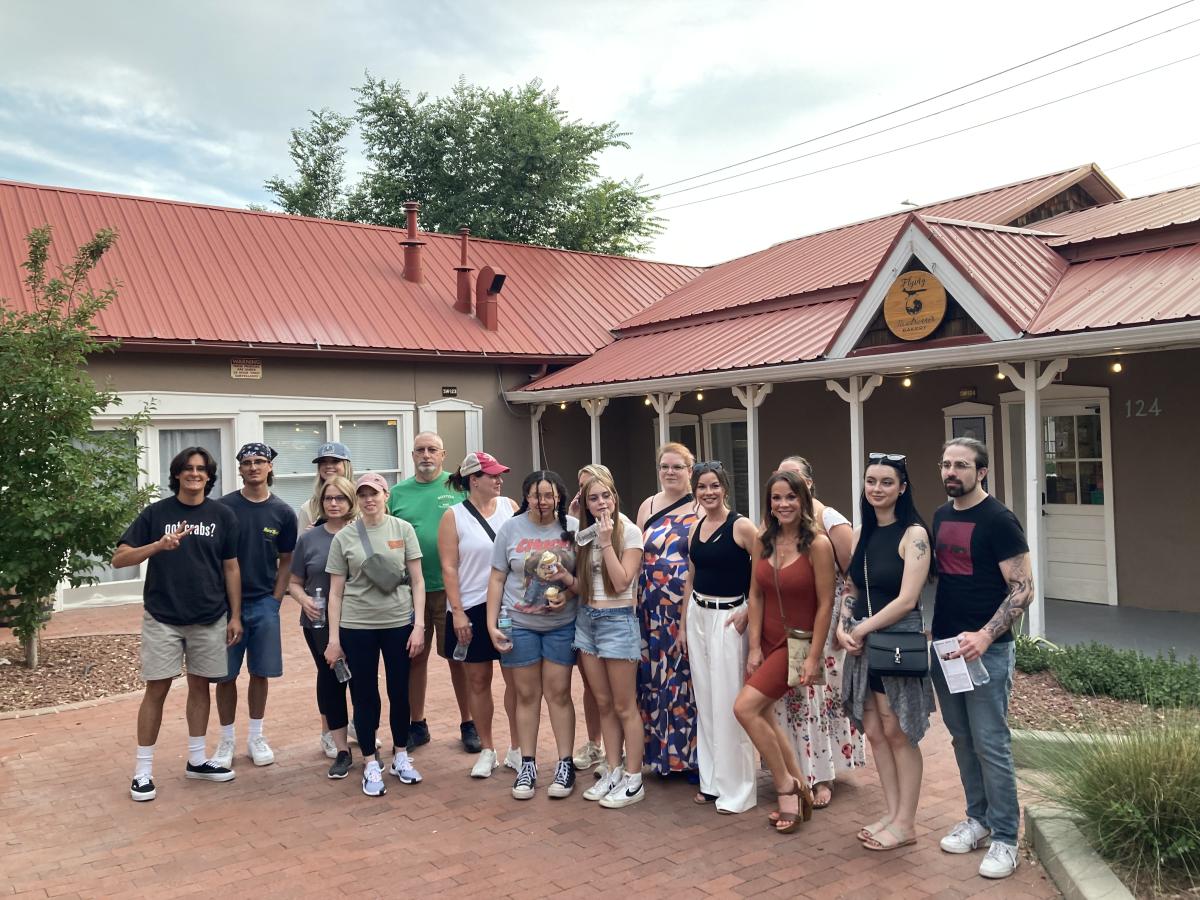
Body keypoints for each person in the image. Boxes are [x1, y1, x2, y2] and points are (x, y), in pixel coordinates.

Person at [114, 446, 241, 801]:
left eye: (201, 469)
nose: (194, 474)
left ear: (209, 476)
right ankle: (142, 772)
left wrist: (236, 615)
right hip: (163, 617)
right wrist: (157, 545)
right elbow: (120, 557)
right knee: (157, 689)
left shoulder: (223, 515)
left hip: (209, 616)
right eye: (187, 468)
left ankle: (198, 760)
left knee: (201, 687)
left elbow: (231, 567)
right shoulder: (156, 513)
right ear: (177, 474)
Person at [931, 437, 1032, 880]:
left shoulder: (999, 520)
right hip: (947, 648)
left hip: (986, 650)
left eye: (962, 466)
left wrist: (987, 636)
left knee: (991, 743)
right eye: (947, 465)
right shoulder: (940, 516)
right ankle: (979, 819)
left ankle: (1007, 838)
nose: (952, 472)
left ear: (982, 472)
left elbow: (1023, 588)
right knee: (961, 739)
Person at [837, 453, 935, 851]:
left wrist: (860, 627)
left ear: (902, 488)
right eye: (871, 481)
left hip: (896, 644)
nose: (877, 489)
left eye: (886, 482)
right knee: (875, 731)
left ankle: (907, 823)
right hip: (864, 645)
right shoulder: (862, 532)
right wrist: (845, 625)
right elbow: (852, 588)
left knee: (899, 732)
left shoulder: (914, 535)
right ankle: (892, 814)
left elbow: (909, 597)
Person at [733, 470, 832, 834]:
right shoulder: (764, 540)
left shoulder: (817, 545)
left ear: (803, 499)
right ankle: (801, 786)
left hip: (796, 643)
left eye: (791, 497)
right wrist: (754, 646)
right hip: (767, 641)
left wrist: (813, 656)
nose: (783, 504)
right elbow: (755, 594)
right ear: (768, 503)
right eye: (776, 498)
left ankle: (786, 787)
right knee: (765, 716)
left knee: (743, 708)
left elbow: (825, 604)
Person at [324, 473, 426, 797]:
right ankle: (370, 760)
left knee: (399, 691)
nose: (370, 499)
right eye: (363, 494)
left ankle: (400, 754)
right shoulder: (344, 538)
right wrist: (334, 639)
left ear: (385, 495)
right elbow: (336, 592)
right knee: (364, 694)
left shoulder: (403, 530)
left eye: (375, 493)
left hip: (398, 623)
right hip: (357, 626)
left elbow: (418, 581)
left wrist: (419, 625)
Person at [774, 456, 866, 809]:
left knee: (818, 699)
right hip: (789, 623)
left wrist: (843, 624)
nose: (788, 487)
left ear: (809, 484)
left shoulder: (829, 520)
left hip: (823, 626)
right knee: (794, 699)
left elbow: (853, 579)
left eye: (795, 478)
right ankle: (797, 769)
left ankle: (823, 775)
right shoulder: (781, 523)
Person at [486, 470, 580, 801]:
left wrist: (565, 597)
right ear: (526, 496)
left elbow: (581, 581)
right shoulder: (510, 529)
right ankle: (528, 763)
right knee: (526, 695)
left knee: (559, 693)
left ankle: (565, 763)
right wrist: (491, 623)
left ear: (559, 497)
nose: (542, 501)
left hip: (561, 625)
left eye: (549, 495)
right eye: (536, 495)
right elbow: (497, 577)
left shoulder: (573, 528)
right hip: (519, 624)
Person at [388, 432, 476, 754]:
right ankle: (418, 724)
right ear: (412, 455)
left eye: (432, 450)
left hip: (455, 590)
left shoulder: (459, 490)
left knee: (459, 658)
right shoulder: (396, 494)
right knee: (414, 659)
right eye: (420, 450)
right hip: (411, 591)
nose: (426, 455)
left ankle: (469, 723)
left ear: (443, 455)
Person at [680, 461, 758, 814]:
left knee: (729, 704)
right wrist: (683, 625)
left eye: (714, 486)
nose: (708, 493)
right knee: (706, 701)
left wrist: (750, 611)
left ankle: (737, 788)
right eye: (702, 487)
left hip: (730, 618)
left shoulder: (741, 526)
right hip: (698, 614)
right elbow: (691, 576)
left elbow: (766, 571)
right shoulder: (696, 526)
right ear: (695, 491)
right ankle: (711, 781)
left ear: (725, 487)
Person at [213, 443, 297, 770]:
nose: (253, 467)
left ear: (270, 467)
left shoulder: (283, 513)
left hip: (264, 603)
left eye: (259, 461)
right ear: (239, 469)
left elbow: (287, 559)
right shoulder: (223, 508)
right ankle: (226, 739)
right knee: (225, 675)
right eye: (246, 462)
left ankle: (256, 736)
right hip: (225, 606)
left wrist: (276, 600)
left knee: (260, 672)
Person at [437, 452, 521, 778]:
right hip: (470, 606)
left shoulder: (510, 507)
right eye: (492, 476)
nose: (499, 480)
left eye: (500, 475)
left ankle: (517, 747)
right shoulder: (453, 516)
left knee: (515, 679)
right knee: (478, 679)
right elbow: (449, 567)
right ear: (474, 480)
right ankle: (488, 748)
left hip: (508, 606)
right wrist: (457, 613)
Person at [573, 472, 647, 809]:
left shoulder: (628, 532)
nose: (600, 503)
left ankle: (634, 778)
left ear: (615, 497)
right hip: (587, 621)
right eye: (593, 498)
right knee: (602, 702)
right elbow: (582, 584)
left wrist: (605, 542)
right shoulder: (584, 533)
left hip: (617, 622)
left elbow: (621, 582)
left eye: (605, 496)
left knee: (624, 705)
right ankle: (613, 770)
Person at [287, 475, 357, 779]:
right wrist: (303, 600)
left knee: (362, 681)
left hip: (358, 620)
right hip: (318, 622)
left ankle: (366, 738)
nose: (333, 503)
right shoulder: (309, 538)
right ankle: (340, 747)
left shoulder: (361, 534)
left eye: (340, 498)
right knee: (331, 679)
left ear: (350, 502)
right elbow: (294, 582)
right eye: (328, 498)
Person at [635, 442, 699, 777]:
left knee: (684, 681)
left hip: (681, 611)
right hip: (649, 610)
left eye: (677, 467)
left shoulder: (701, 507)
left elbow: (697, 564)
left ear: (691, 470)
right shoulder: (647, 505)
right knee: (653, 682)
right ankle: (660, 757)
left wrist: (686, 618)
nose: (670, 473)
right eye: (665, 467)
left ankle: (690, 759)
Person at [567, 463, 610, 775]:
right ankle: (594, 743)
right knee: (591, 685)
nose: (589, 495)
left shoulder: (619, 528)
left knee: (616, 690)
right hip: (582, 613)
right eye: (583, 490)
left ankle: (615, 749)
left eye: (596, 489)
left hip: (613, 615)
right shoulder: (576, 529)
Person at [298, 442, 355, 531]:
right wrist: (310, 537)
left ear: (346, 465)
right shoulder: (308, 508)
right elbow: (300, 543)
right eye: (323, 462)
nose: (328, 466)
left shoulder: (362, 501)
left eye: (335, 461)